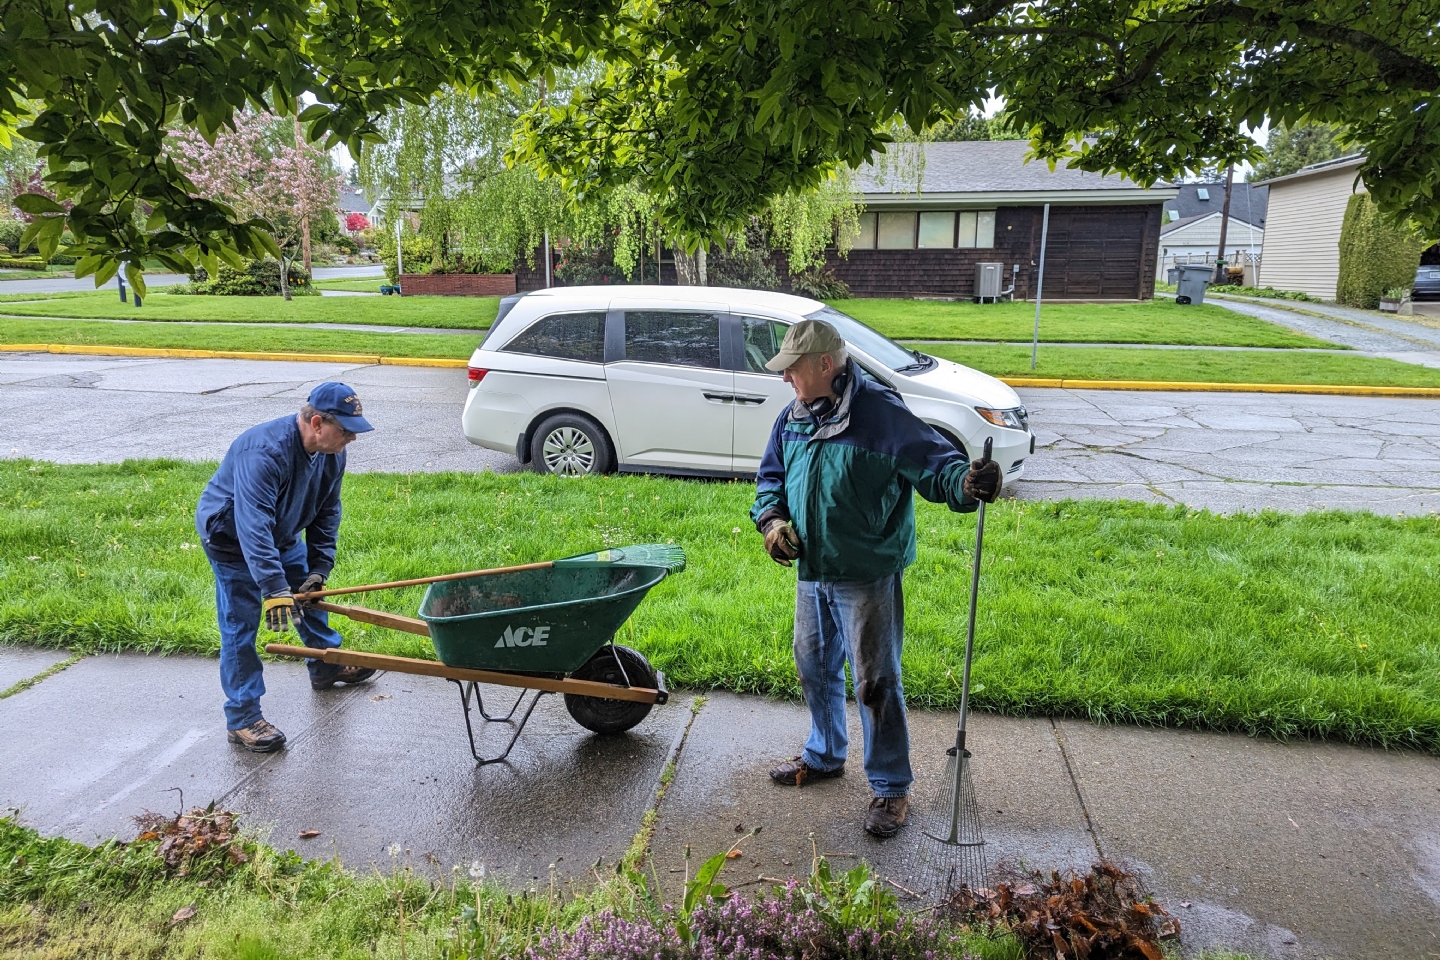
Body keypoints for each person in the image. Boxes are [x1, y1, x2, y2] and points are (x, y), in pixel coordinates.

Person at [750, 319, 1002, 838]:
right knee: (814, 667)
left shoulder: (882, 414)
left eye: (792, 369)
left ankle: (890, 788)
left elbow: (938, 468)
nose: (784, 380)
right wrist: (772, 522)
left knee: (875, 683)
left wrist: (968, 483)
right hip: (811, 570)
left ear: (825, 364)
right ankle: (824, 754)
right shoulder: (793, 418)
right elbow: (770, 479)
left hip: (865, 573)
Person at [196, 382, 377, 752]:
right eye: (345, 430)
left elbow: (327, 512)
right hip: (232, 542)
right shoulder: (262, 452)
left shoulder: (332, 454)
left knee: (310, 600)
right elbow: (252, 525)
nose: (351, 440)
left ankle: (326, 665)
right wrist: (274, 588)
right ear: (316, 423)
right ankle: (243, 718)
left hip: (280, 534)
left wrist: (319, 567)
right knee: (240, 627)